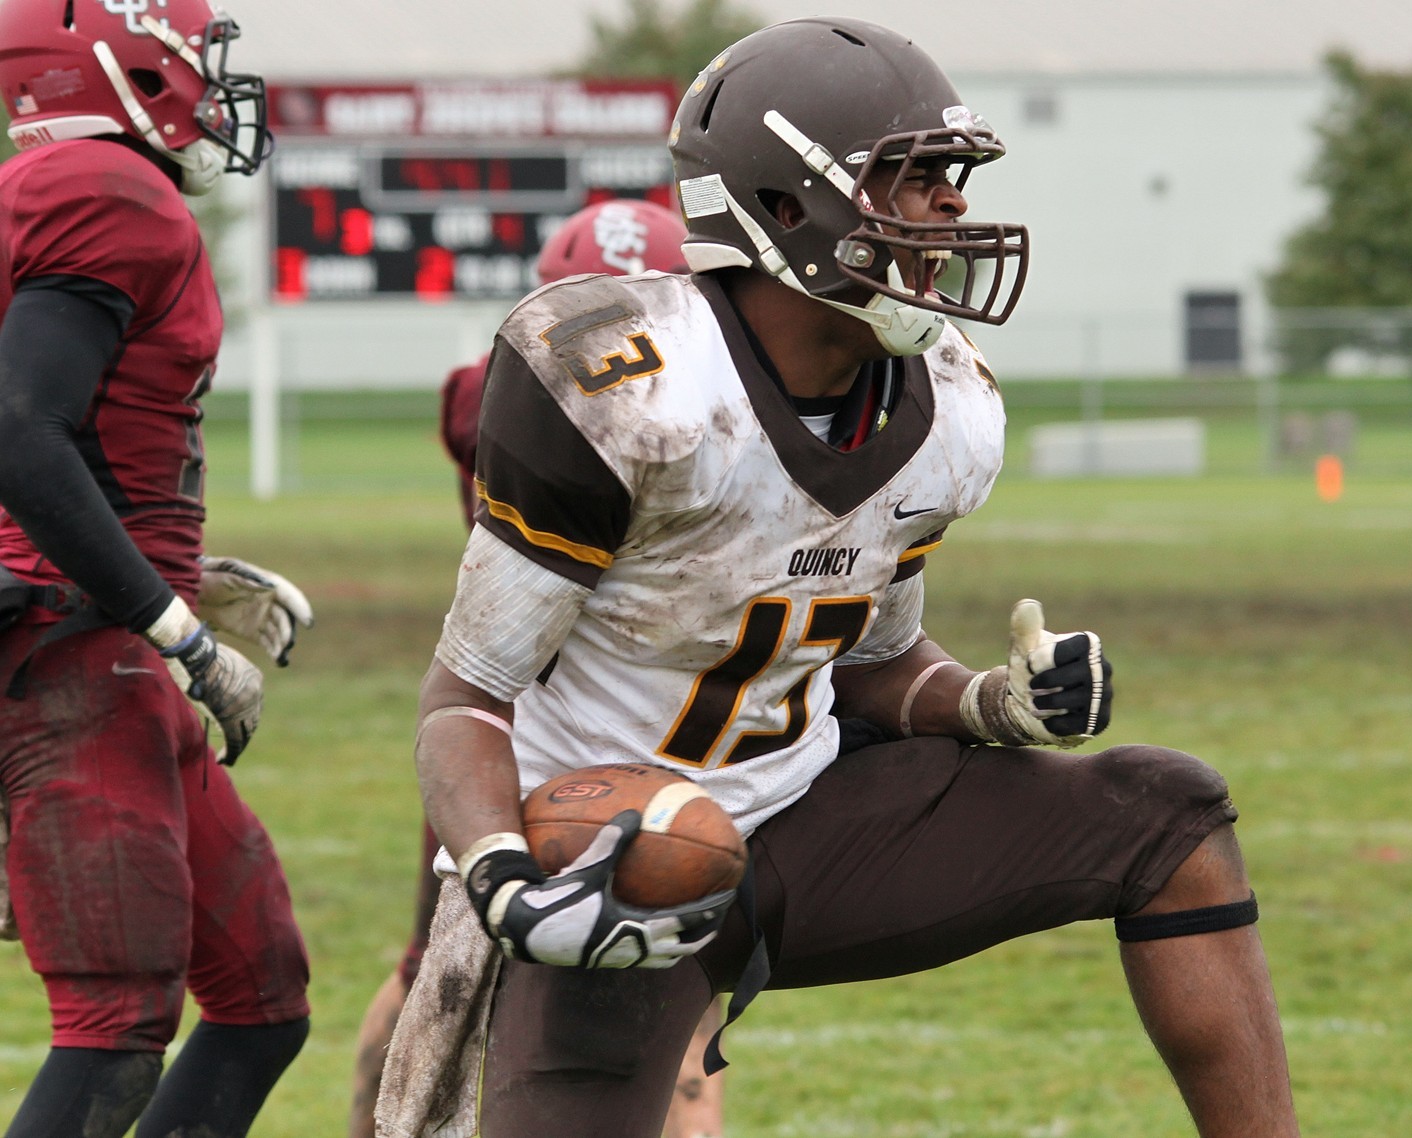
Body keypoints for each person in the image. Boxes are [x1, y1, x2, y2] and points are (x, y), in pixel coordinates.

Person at [377, 17, 1299, 1138]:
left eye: (950, 180)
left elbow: (872, 656)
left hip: (812, 819)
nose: (950, 212)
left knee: (1170, 818)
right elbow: (463, 702)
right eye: (913, 180)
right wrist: (510, 878)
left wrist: (987, 700)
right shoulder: (628, 389)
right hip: (616, 862)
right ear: (781, 208)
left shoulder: (946, 405)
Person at [347, 199, 729, 1138]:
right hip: (594, 716)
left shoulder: (478, 389)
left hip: (503, 718)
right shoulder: (686, 403)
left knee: (427, 971)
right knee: (677, 1004)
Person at [0, 2, 313, 1135]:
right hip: (75, 653)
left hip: (97, 631)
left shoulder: (54, 191)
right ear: (117, 54)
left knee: (262, 998)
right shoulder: (105, 190)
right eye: (189, 49)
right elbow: (24, 430)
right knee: (117, 1022)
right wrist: (173, 626)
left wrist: (172, 575)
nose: (207, 78)